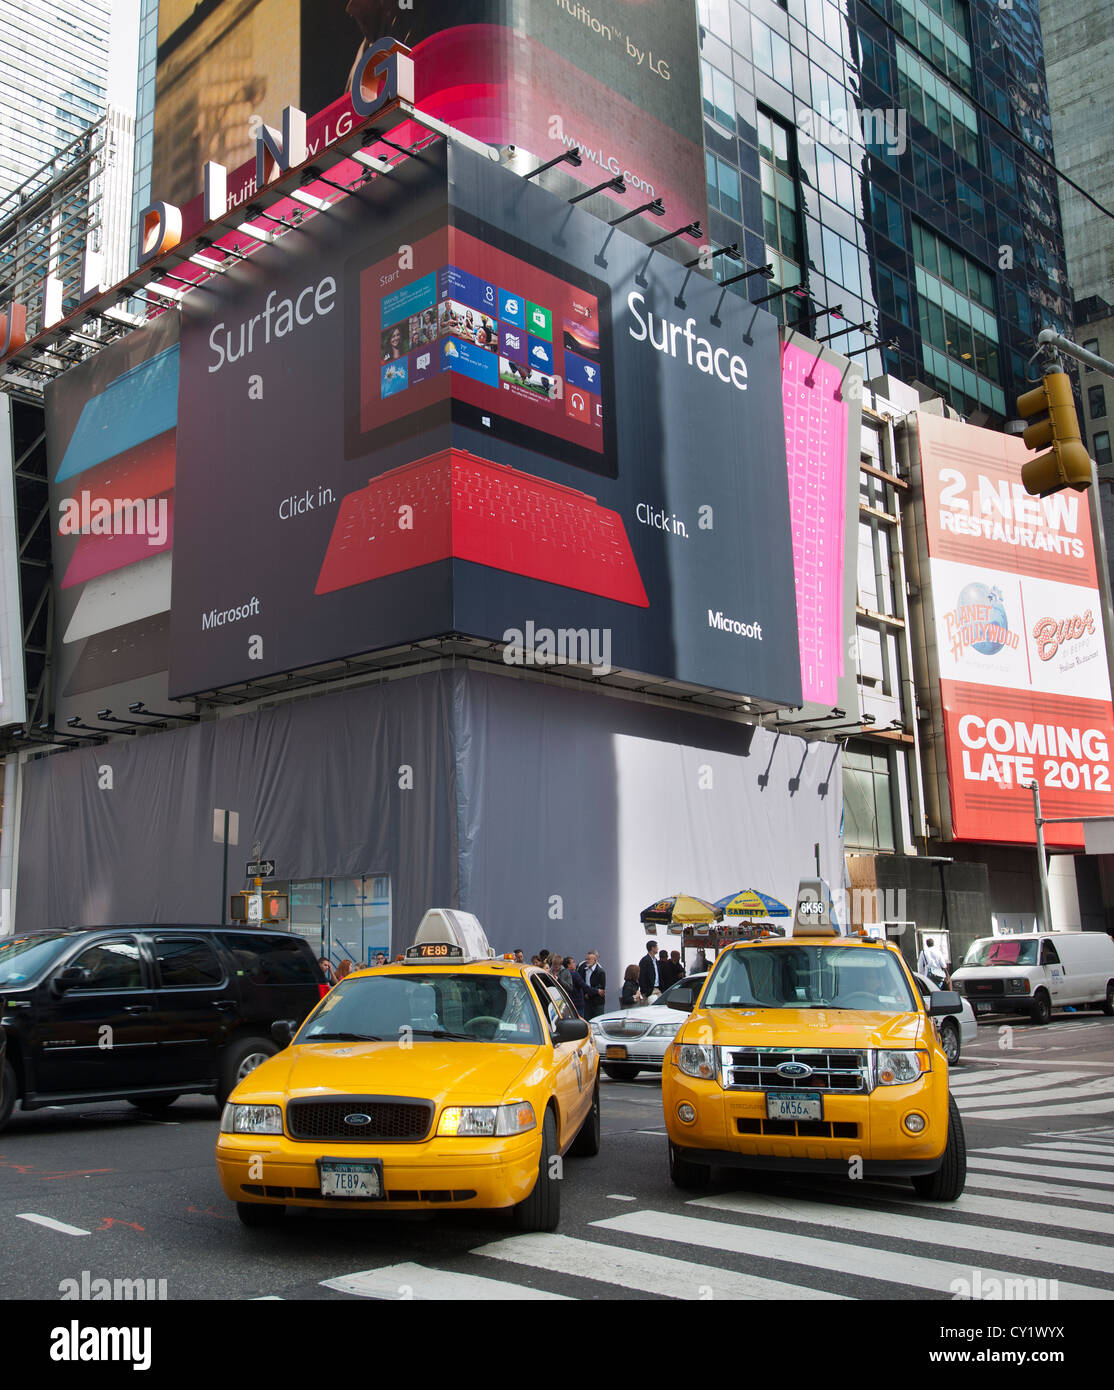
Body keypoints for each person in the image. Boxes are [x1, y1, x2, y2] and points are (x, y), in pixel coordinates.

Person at [578, 951, 607, 1018]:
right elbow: (582, 984)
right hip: (587, 1001)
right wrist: (585, 993)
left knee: (598, 1019)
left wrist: (589, 993)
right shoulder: (583, 970)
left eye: (589, 959)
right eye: (586, 959)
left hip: (597, 1002)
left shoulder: (601, 972)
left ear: (595, 960)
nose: (587, 961)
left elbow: (601, 987)